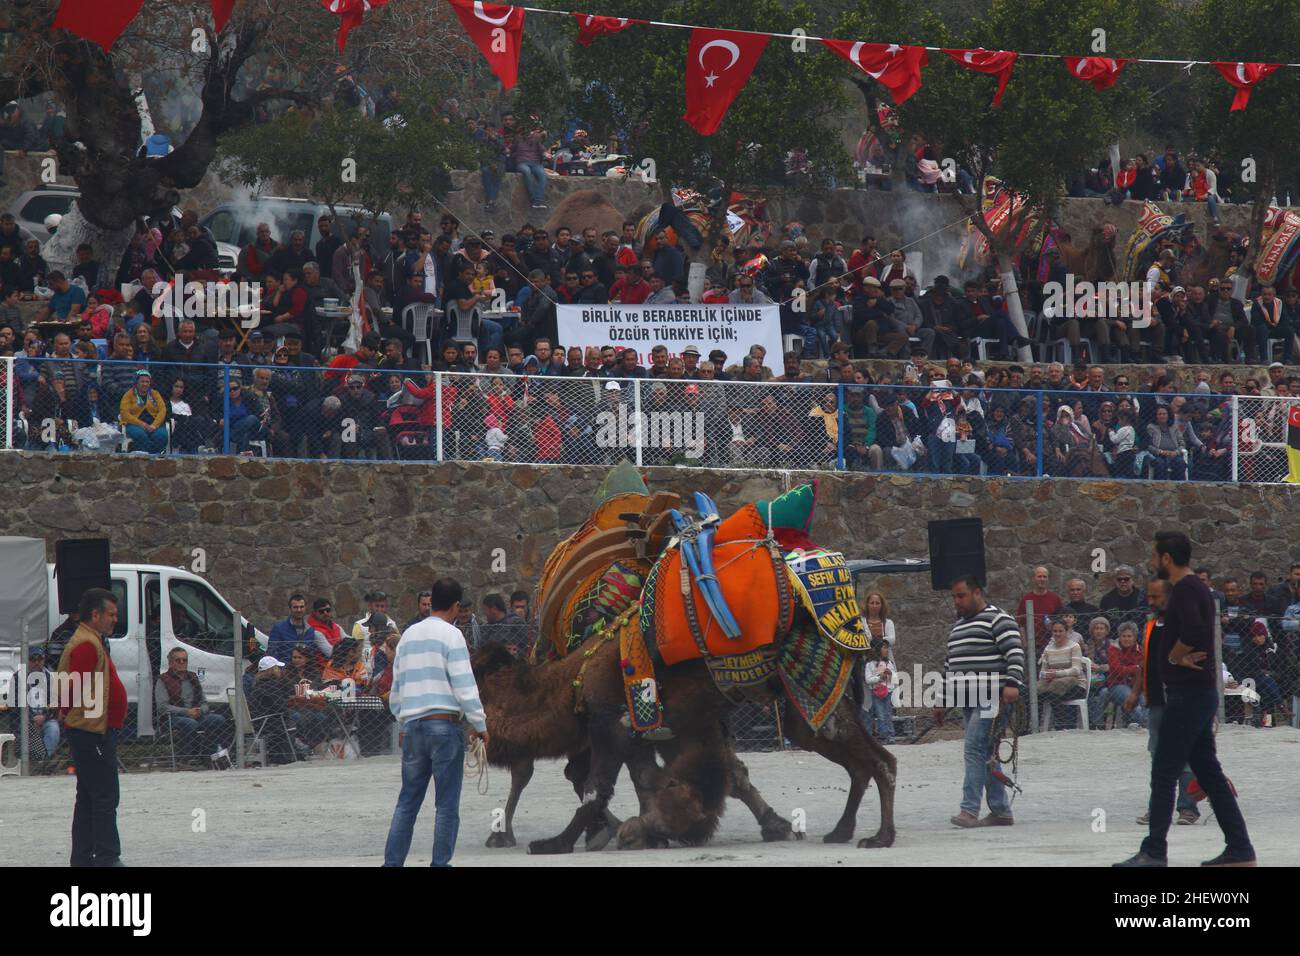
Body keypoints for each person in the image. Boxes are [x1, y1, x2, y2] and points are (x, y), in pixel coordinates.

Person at [1115, 531, 1255, 867]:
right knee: (1208, 773)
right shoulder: (1193, 590)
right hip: (1194, 694)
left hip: (1188, 696)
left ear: (1165, 558)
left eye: (1153, 555)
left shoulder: (1187, 590)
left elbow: (1193, 632)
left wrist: (1176, 657)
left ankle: (1154, 852)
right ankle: (1240, 849)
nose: (1151, 561)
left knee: (1164, 771)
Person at [383, 577, 489, 867]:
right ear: (456, 605)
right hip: (445, 727)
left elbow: (397, 691)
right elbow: (465, 687)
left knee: (407, 802)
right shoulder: (453, 636)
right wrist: (480, 724)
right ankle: (440, 863)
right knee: (446, 806)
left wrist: (406, 720)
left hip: (414, 727)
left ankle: (392, 863)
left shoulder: (408, 637)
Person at [941, 576, 1025, 828]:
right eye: (954, 596)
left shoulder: (999, 619)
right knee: (986, 754)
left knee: (974, 748)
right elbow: (949, 665)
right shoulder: (958, 627)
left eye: (961, 596)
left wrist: (1013, 684)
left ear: (977, 592)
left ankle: (969, 809)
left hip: (993, 698)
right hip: (968, 700)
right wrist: (941, 701)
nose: (957, 601)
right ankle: (1001, 811)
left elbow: (1015, 652)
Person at [57, 588, 127, 867]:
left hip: (91, 730)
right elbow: (71, 691)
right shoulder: (87, 644)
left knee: (88, 798)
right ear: (95, 615)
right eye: (111, 614)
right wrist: (72, 716)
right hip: (92, 733)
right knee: (104, 796)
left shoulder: (91, 640)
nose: (114, 619)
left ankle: (84, 859)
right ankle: (108, 857)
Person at [154, 647, 228, 765]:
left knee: (217, 719)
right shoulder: (163, 680)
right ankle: (184, 758)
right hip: (172, 718)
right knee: (189, 723)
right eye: (178, 660)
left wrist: (201, 710)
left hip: (196, 714)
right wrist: (187, 712)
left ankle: (209, 756)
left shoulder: (193, 677)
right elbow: (162, 707)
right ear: (170, 663)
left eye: (185, 660)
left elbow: (204, 702)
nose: (182, 663)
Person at [1037, 620, 1087, 729]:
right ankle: (1033, 726)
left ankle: (1063, 726)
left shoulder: (1074, 646)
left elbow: (1077, 670)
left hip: (1077, 684)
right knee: (1035, 692)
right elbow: (1042, 672)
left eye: (1061, 631)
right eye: (1055, 631)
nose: (1057, 634)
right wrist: (1046, 674)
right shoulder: (1048, 649)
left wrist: (1056, 674)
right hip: (1053, 682)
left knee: (1052, 692)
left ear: (1066, 632)